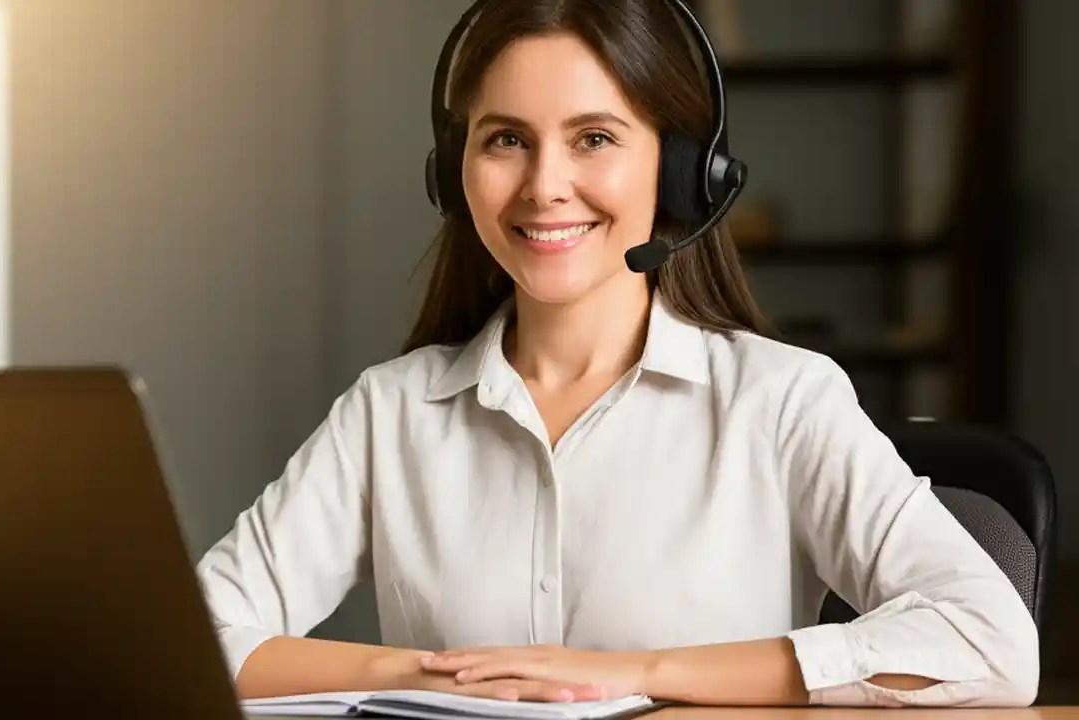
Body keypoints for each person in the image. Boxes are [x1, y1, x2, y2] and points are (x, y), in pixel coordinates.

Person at [196, 0, 1038, 708]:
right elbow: (191, 638)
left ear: (680, 172)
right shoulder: (390, 412)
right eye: (505, 139)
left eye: (594, 138)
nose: (544, 186)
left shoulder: (781, 401)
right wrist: (438, 677)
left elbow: (990, 641)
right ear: (455, 171)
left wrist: (636, 676)